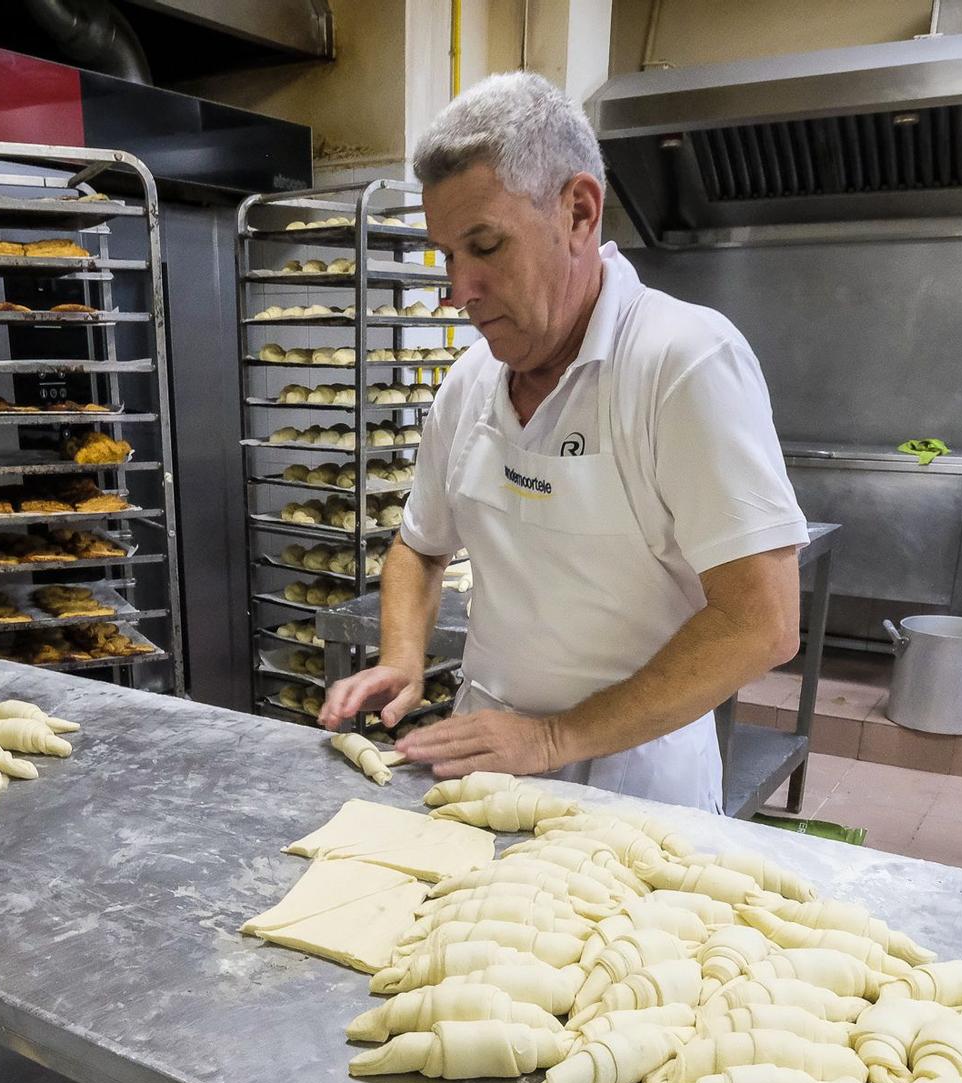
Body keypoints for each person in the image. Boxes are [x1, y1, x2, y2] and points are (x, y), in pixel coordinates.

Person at [321, 72, 808, 811]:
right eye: (447, 255)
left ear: (579, 211)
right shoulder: (471, 382)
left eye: (484, 246)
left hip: (636, 782)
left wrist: (550, 740)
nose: (460, 290)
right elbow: (420, 546)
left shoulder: (680, 363)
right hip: (481, 759)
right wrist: (403, 655)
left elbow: (762, 624)